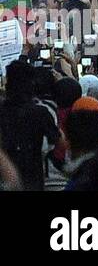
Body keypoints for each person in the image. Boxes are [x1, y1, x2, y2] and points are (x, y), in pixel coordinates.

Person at [0, 60, 62, 190]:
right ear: (31, 84)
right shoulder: (40, 112)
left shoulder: (2, 111)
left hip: (4, 176)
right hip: (33, 177)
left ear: (7, 84)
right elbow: (57, 140)